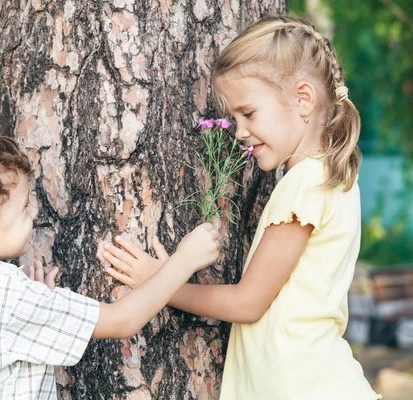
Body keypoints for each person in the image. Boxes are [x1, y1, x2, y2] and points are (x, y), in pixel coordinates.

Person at [103, 15, 381, 400]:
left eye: (248, 113)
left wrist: (161, 280)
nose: (240, 132)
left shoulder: (305, 183)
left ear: (303, 99)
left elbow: (248, 302)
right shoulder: (325, 179)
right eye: (234, 118)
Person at [0, 126, 220, 399]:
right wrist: (184, 260)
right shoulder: (8, 296)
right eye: (23, 207)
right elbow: (122, 320)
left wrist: (38, 302)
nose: (34, 211)